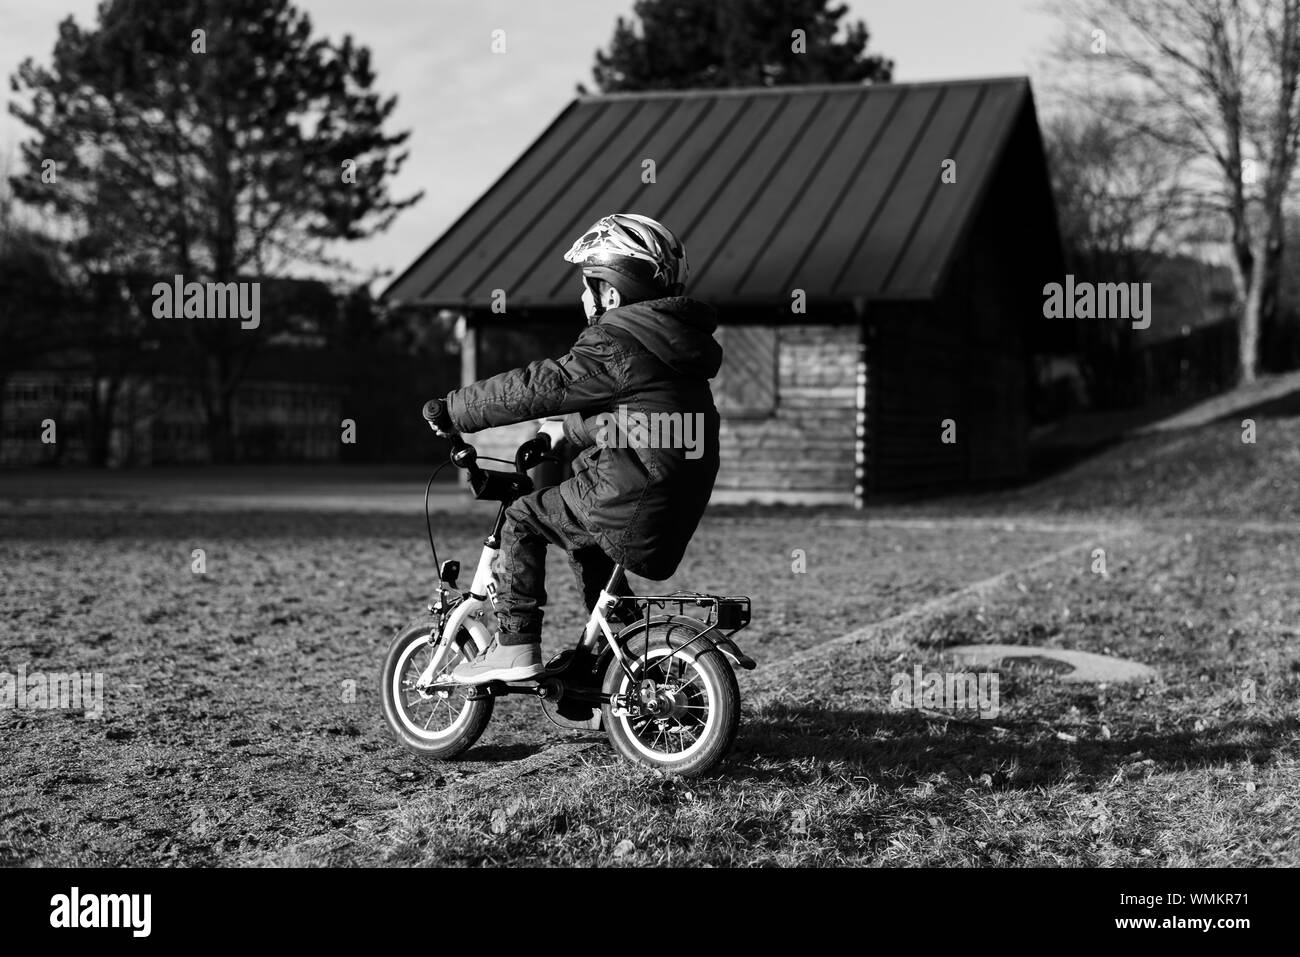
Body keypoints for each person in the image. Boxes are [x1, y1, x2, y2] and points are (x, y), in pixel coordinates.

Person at [424, 213, 723, 683]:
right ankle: (615, 662)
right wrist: (564, 433)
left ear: (610, 292)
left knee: (524, 516)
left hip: (631, 494)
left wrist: (455, 410)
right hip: (676, 501)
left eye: (588, 284)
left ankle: (516, 646)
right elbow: (636, 422)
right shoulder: (674, 349)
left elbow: (541, 385)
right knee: (585, 536)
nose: (582, 296)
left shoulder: (615, 341)